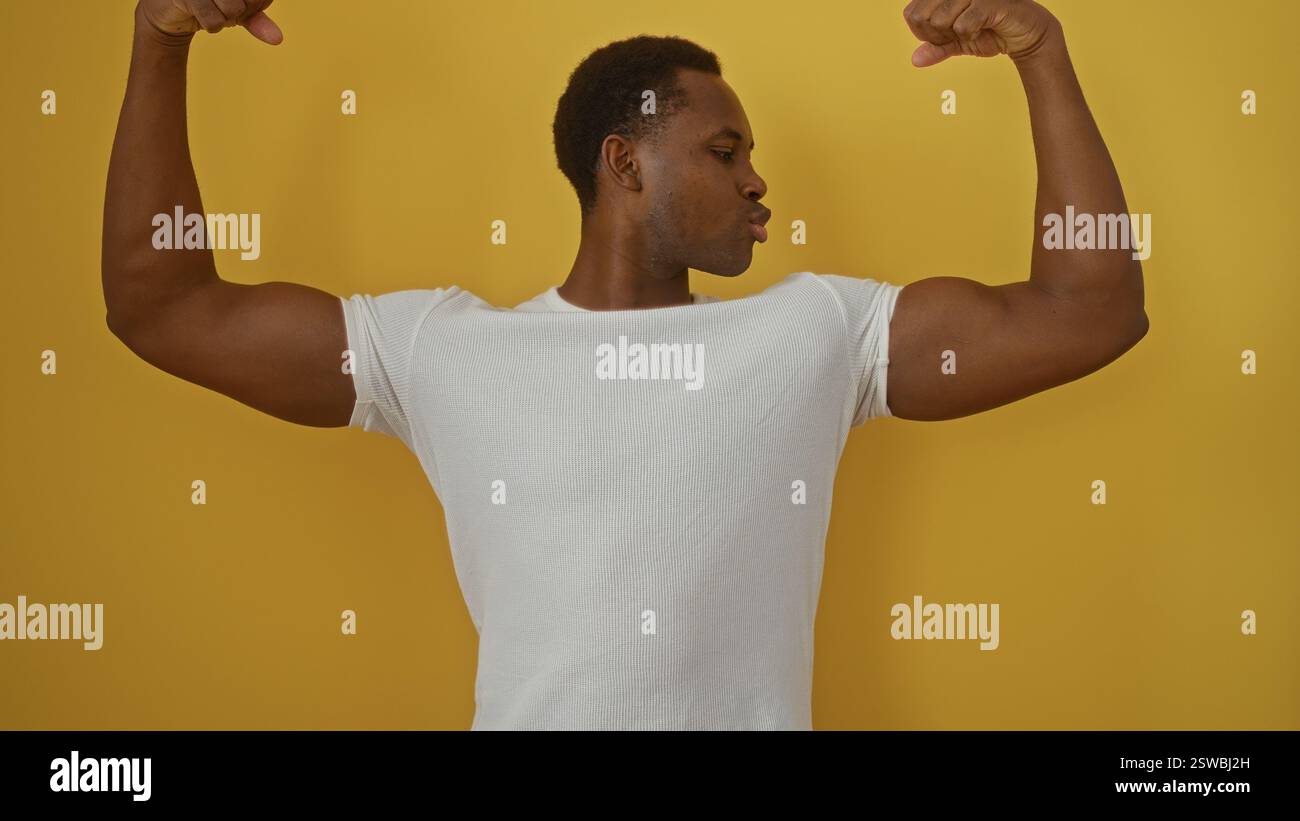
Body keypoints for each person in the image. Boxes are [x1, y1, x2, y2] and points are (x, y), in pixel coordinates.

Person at [103, 0, 1148, 729]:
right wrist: (160, 43)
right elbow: (163, 305)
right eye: (724, 150)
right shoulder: (441, 348)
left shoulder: (815, 331)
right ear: (624, 160)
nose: (758, 184)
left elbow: (1087, 310)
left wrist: (1040, 55)